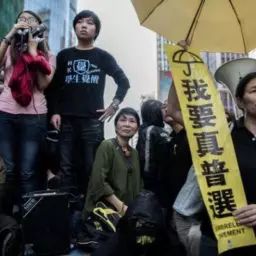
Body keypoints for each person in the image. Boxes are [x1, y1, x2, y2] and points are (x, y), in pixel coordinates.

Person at [49, 10, 130, 196]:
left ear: (96, 30)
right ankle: (68, 210)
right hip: (66, 121)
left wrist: (114, 106)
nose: (84, 25)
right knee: (66, 167)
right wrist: (55, 112)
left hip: (92, 121)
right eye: (80, 22)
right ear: (75, 27)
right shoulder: (64, 56)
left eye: (90, 23)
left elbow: (123, 82)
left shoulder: (102, 56)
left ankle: (89, 210)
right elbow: (54, 88)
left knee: (91, 167)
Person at [0, 10, 55, 213]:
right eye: (21, 19)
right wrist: (9, 35)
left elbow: (42, 84)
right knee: (9, 170)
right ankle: (5, 220)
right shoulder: (8, 49)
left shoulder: (48, 56)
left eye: (30, 20)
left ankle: (27, 222)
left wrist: (33, 53)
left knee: (26, 172)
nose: (24, 22)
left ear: (38, 27)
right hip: (6, 113)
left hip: (34, 118)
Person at [83, 107, 141, 218]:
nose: (127, 124)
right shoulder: (107, 146)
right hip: (105, 214)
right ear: (116, 126)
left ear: (137, 128)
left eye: (132, 121)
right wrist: (121, 207)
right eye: (123, 120)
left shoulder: (134, 153)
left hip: (126, 215)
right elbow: (98, 181)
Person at [136, 99, 171, 209]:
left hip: (157, 183)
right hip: (157, 183)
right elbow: (147, 158)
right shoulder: (156, 131)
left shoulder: (154, 130)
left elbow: (146, 157)